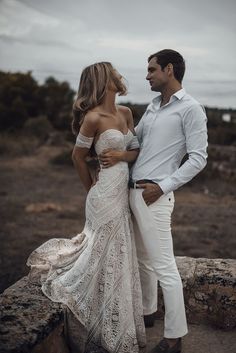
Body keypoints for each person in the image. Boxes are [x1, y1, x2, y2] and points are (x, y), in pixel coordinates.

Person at [27, 62, 146, 353]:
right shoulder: (93, 118)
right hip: (104, 194)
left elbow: (135, 151)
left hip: (123, 191)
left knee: (117, 254)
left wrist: (120, 154)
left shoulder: (126, 112)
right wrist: (91, 185)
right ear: (105, 81)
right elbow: (77, 157)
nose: (121, 76)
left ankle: (117, 320)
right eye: (115, 73)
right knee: (105, 252)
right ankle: (101, 322)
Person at [100, 49, 208, 353]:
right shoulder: (153, 107)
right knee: (143, 261)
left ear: (169, 70)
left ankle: (174, 337)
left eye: (151, 70)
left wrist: (163, 187)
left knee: (164, 267)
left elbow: (198, 159)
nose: (146, 76)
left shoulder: (190, 108)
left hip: (155, 196)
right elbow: (138, 144)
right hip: (132, 191)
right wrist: (109, 123)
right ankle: (147, 312)